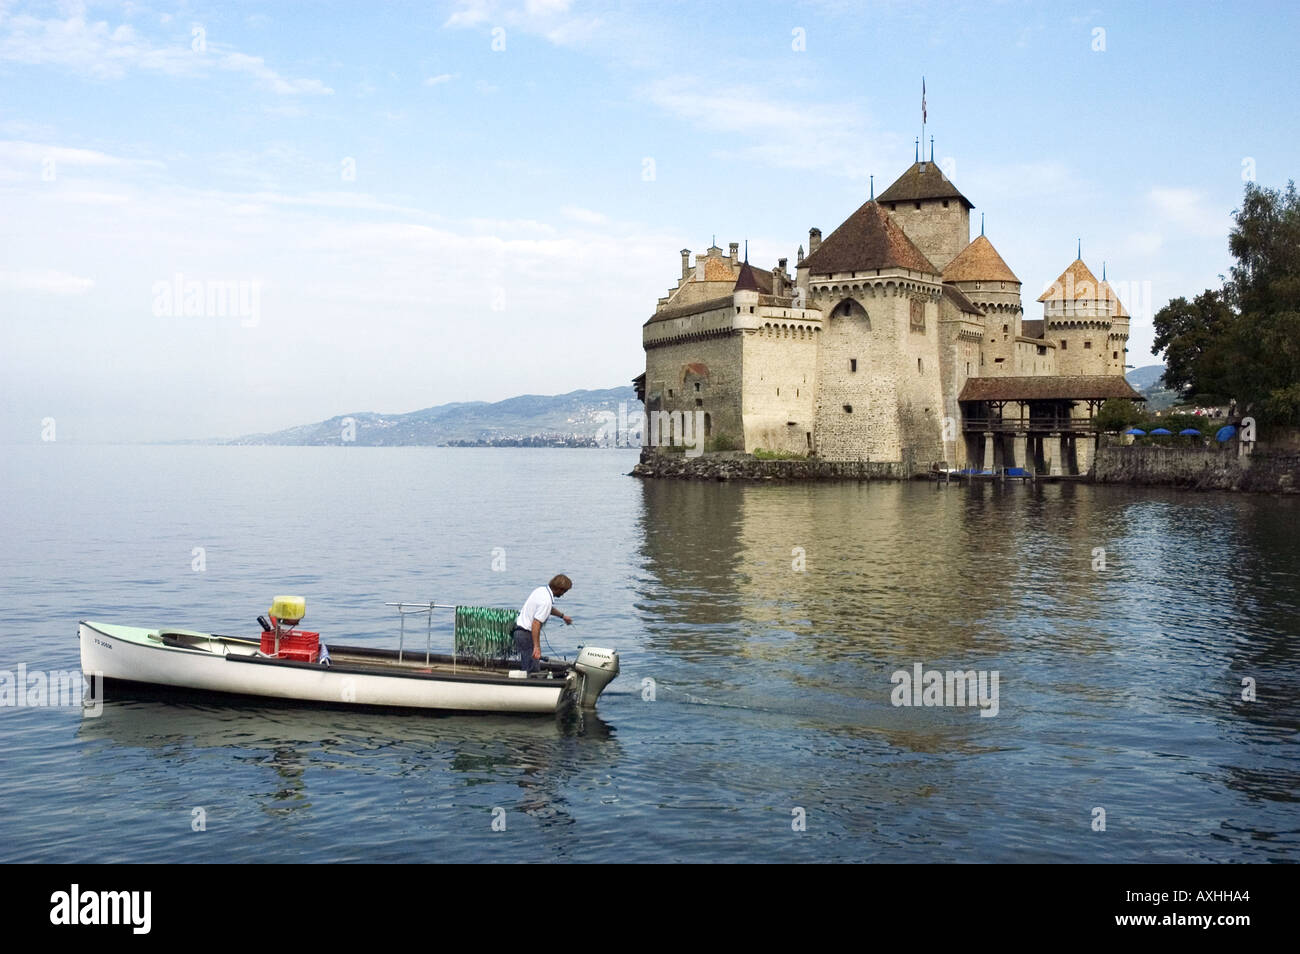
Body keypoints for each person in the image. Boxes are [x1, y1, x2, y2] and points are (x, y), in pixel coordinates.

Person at [512, 574, 573, 673]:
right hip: (526, 635)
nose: (563, 594)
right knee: (532, 670)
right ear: (559, 589)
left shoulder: (541, 591)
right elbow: (536, 623)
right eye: (564, 591)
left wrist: (562, 616)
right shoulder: (546, 601)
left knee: (528, 665)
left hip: (519, 631)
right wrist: (537, 647)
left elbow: (549, 609)